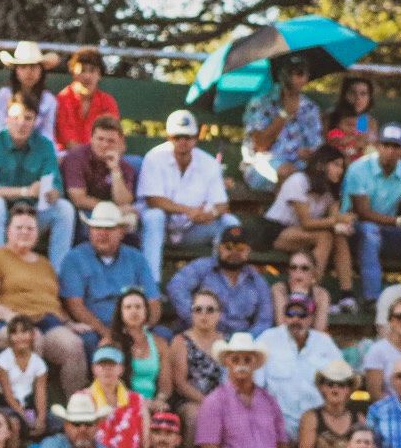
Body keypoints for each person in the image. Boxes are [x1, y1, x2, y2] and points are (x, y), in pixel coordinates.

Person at [0, 205, 88, 394]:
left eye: (30, 228)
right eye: (19, 227)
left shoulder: (45, 264)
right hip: (3, 325)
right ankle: (25, 407)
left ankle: (77, 409)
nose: (25, 232)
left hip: (46, 322)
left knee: (73, 346)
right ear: (8, 231)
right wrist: (10, 316)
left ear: (37, 233)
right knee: (31, 337)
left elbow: (51, 301)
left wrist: (68, 323)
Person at [195, 331, 290, 448]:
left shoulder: (269, 400)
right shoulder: (215, 400)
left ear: (255, 363)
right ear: (227, 362)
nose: (241, 364)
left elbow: (282, 443)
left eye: (247, 359)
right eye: (236, 359)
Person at [138, 109, 238, 281]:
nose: (183, 142)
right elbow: (153, 199)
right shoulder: (154, 157)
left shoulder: (208, 163)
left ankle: (218, 283)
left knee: (230, 223)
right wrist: (188, 211)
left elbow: (222, 204)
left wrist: (209, 214)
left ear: (196, 138)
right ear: (169, 137)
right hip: (161, 228)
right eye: (177, 137)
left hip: (193, 229)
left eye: (188, 137)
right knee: (154, 216)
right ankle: (151, 286)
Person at [0, 97, 73, 266]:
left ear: (35, 121)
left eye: (28, 118)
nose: (21, 124)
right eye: (15, 117)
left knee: (64, 209)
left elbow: (56, 184)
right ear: (6, 119)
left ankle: (57, 276)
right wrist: (25, 191)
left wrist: (50, 192)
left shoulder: (45, 145)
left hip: (32, 214)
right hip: (2, 214)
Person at [58, 201, 159, 356]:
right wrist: (108, 334)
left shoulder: (136, 258)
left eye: (109, 228)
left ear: (121, 232)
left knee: (163, 335)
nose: (102, 233)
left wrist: (140, 331)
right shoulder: (74, 259)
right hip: (95, 326)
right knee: (89, 340)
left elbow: (153, 302)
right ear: (89, 231)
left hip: (134, 323)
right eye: (97, 228)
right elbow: (74, 305)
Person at [347, 122, 401, 304]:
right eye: (386, 145)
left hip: (389, 228)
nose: (390, 151)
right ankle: (372, 298)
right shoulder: (359, 169)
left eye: (396, 146)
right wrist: (400, 222)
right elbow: (363, 212)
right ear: (378, 146)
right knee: (370, 232)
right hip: (355, 229)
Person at [264, 145, 355, 298]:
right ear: (321, 164)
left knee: (338, 236)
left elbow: (333, 220)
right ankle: (310, 290)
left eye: (342, 167)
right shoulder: (298, 181)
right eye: (336, 165)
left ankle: (347, 294)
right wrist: (337, 221)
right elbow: (307, 223)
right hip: (277, 230)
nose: (340, 171)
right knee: (324, 236)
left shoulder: (331, 190)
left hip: (305, 233)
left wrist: (344, 226)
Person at [253, 293, 342, 441]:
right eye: (290, 314)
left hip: (317, 424)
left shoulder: (325, 343)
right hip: (276, 423)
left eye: (302, 315)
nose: (296, 319)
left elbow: (341, 379)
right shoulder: (267, 339)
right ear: (284, 316)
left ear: (311, 318)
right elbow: (255, 385)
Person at [166, 224, 272, 337]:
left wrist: (246, 341)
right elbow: (176, 287)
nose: (234, 253)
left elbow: (264, 320)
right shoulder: (203, 267)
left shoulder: (256, 280)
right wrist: (197, 318)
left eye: (240, 249)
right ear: (219, 248)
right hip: (200, 336)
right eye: (228, 247)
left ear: (248, 251)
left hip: (239, 344)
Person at [241, 57, 323, 190]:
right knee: (291, 176)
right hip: (262, 164)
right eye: (290, 72)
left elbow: (316, 146)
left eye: (300, 73)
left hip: (300, 165)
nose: (293, 78)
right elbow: (260, 145)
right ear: (281, 74)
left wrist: (310, 153)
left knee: (324, 175)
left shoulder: (310, 108)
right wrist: (285, 114)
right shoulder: (259, 103)